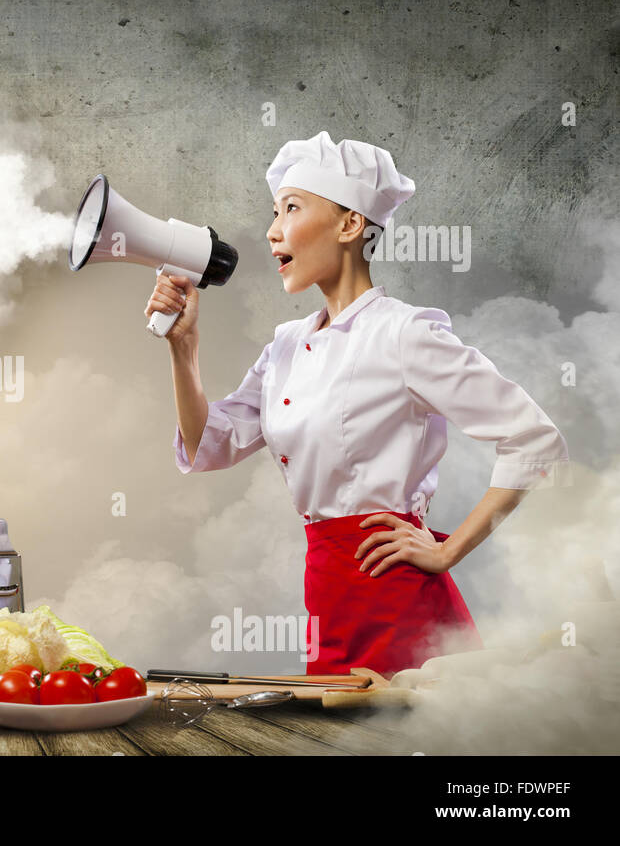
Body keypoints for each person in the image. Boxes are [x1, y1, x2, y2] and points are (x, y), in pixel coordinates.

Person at [146, 131, 570, 677]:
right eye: (273, 212)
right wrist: (183, 348)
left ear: (350, 225)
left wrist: (446, 552)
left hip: (400, 607)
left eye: (291, 208)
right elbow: (210, 445)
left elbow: (535, 441)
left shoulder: (404, 334)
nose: (272, 231)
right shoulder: (285, 345)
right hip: (328, 597)